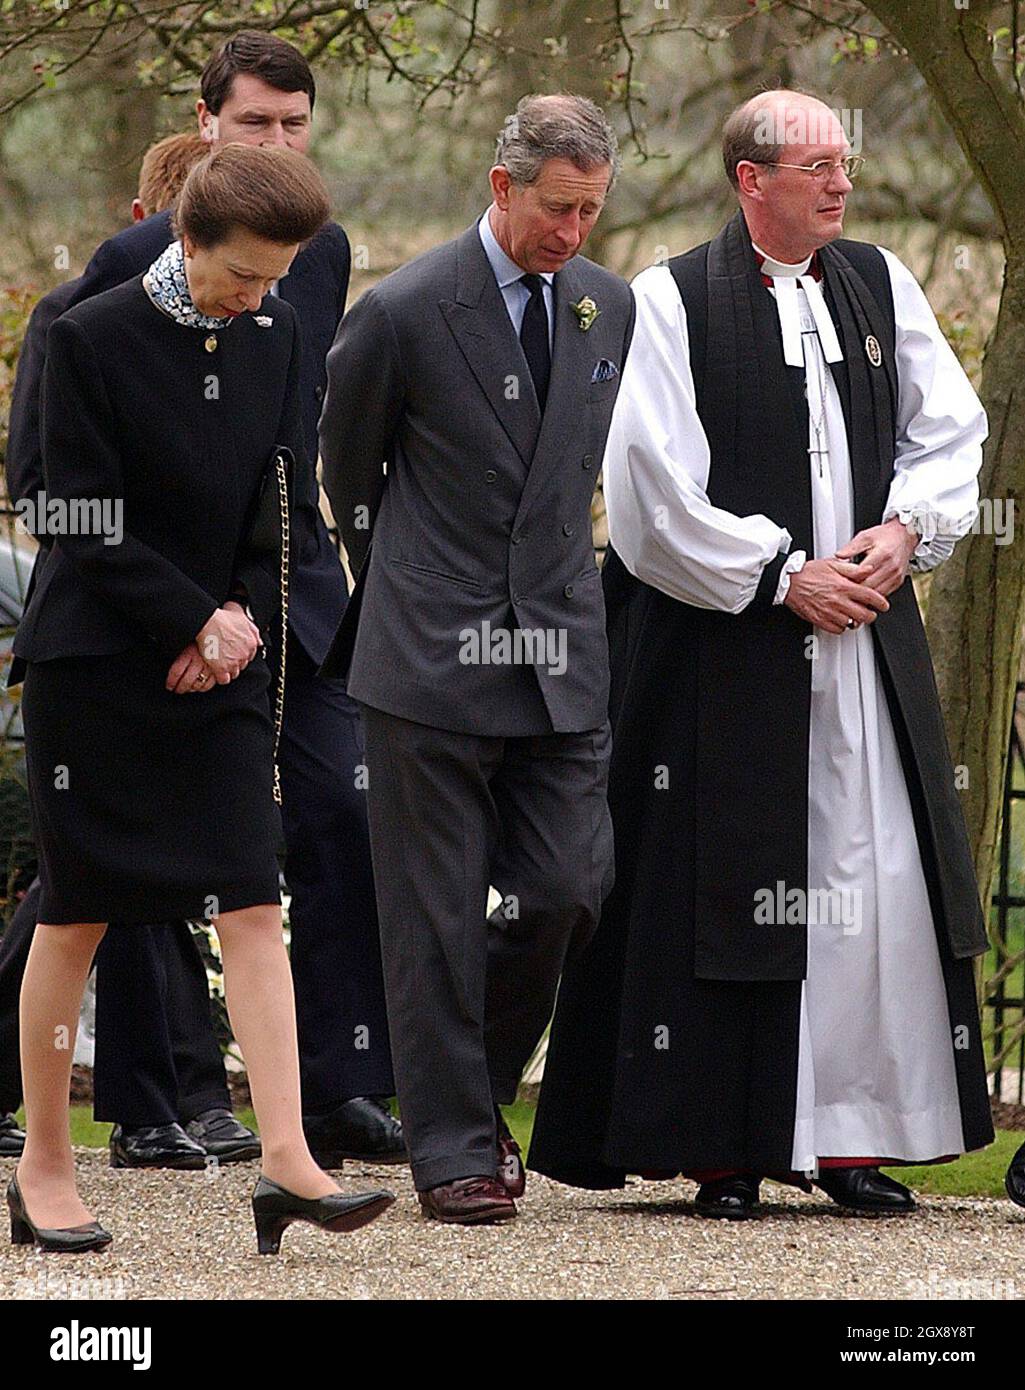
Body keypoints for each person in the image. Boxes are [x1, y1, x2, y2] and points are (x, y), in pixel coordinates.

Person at [529, 89, 995, 1218]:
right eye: (818, 167)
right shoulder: (671, 297)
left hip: (864, 651)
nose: (842, 184)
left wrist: (902, 533)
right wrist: (780, 575)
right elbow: (645, 488)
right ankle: (719, 1143)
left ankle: (847, 1136)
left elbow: (950, 430)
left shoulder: (881, 285)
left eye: (847, 164)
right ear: (751, 179)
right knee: (722, 882)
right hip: (724, 648)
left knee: (868, 880)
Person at [0, 30, 402, 1173]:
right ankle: (50, 1159)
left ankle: (292, 1158)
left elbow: (276, 495)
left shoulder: (277, 319)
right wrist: (189, 616)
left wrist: (239, 625)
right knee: (79, 914)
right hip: (101, 654)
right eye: (241, 277)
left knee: (255, 894)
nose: (257, 300)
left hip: (240, 643)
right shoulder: (84, 328)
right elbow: (58, 509)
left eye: (275, 282)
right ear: (186, 236)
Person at [319, 93, 634, 1224]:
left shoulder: (609, 306)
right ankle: (451, 1150)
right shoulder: (401, 310)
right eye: (557, 207)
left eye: (592, 209)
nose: (573, 231)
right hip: (427, 658)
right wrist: (407, 592)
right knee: (433, 913)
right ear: (502, 188)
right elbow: (347, 481)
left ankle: (469, 1091)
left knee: (566, 890)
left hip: (561, 650)